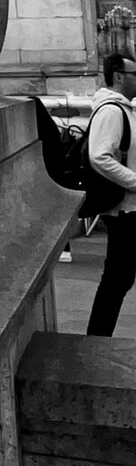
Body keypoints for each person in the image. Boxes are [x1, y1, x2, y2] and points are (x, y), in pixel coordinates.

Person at [85, 53, 136, 336]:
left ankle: (97, 337)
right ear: (118, 76)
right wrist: (134, 181)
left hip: (130, 208)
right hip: (126, 210)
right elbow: (99, 156)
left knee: (118, 278)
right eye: (134, 73)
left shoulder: (124, 109)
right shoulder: (111, 110)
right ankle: (97, 339)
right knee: (117, 279)